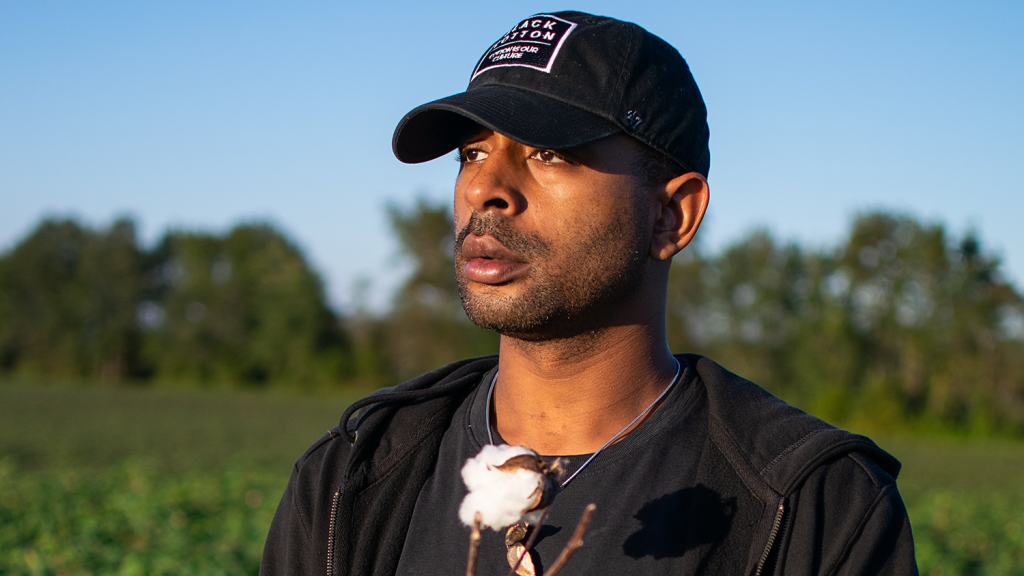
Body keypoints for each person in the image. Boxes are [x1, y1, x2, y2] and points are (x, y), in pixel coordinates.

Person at [260, 11, 918, 576]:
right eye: (471, 153)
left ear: (673, 216)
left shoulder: (813, 504)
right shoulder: (353, 476)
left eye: (547, 152)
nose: (487, 187)